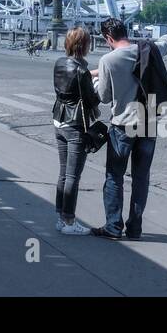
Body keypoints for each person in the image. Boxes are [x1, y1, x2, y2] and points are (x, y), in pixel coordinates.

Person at [91, 19, 167, 239]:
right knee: (141, 177)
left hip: (122, 127)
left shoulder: (108, 60)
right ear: (125, 32)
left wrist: (95, 81)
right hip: (148, 123)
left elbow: (105, 97)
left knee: (114, 176)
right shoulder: (148, 50)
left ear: (108, 38)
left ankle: (113, 227)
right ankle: (135, 228)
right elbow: (165, 42)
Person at [52, 27, 101, 236]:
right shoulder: (81, 71)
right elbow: (93, 100)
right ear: (85, 45)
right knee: (73, 175)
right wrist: (97, 85)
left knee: (63, 173)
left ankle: (61, 218)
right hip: (75, 125)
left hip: (59, 121)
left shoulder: (60, 63)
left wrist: (93, 74)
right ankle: (70, 221)